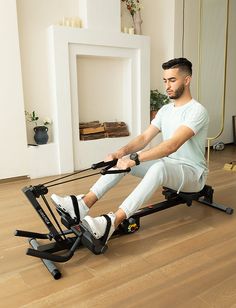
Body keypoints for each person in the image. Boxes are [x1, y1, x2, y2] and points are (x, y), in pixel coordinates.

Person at [51, 57, 209, 244]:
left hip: (192, 173)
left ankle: (111, 223)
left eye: (172, 80)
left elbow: (171, 145)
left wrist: (136, 158)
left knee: (156, 167)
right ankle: (82, 204)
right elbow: (143, 138)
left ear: (187, 80)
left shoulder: (197, 111)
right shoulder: (165, 110)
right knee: (123, 161)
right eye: (165, 80)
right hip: (170, 166)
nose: (167, 85)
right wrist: (120, 153)